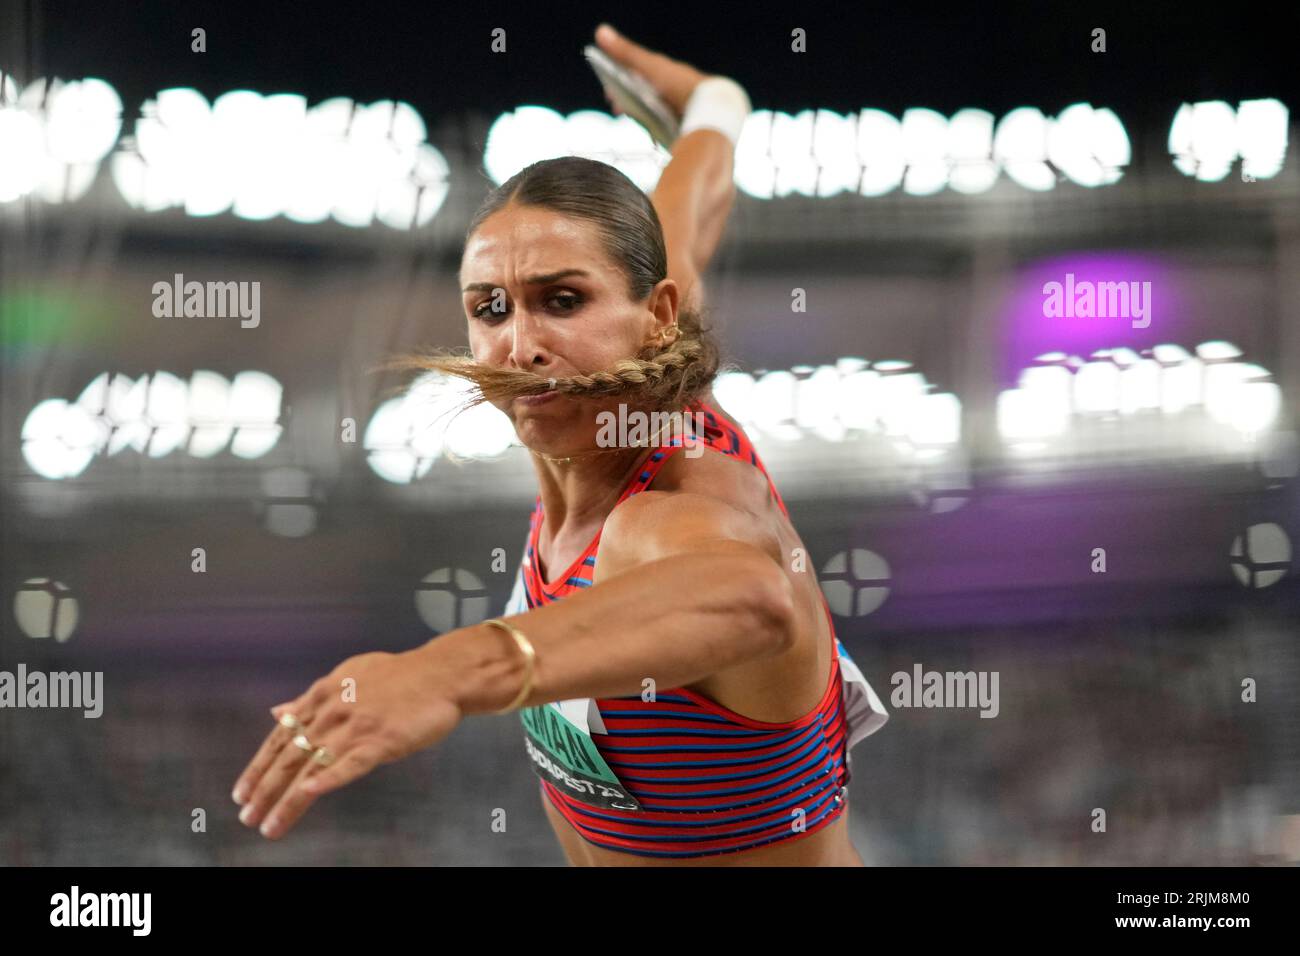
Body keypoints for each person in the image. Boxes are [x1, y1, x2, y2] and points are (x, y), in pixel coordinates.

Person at [232, 23, 887, 865]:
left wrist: (451, 670)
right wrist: (715, 111)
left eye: (563, 300)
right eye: (490, 308)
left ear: (656, 317)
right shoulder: (647, 373)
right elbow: (687, 211)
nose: (521, 344)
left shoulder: (669, 514)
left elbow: (755, 595)